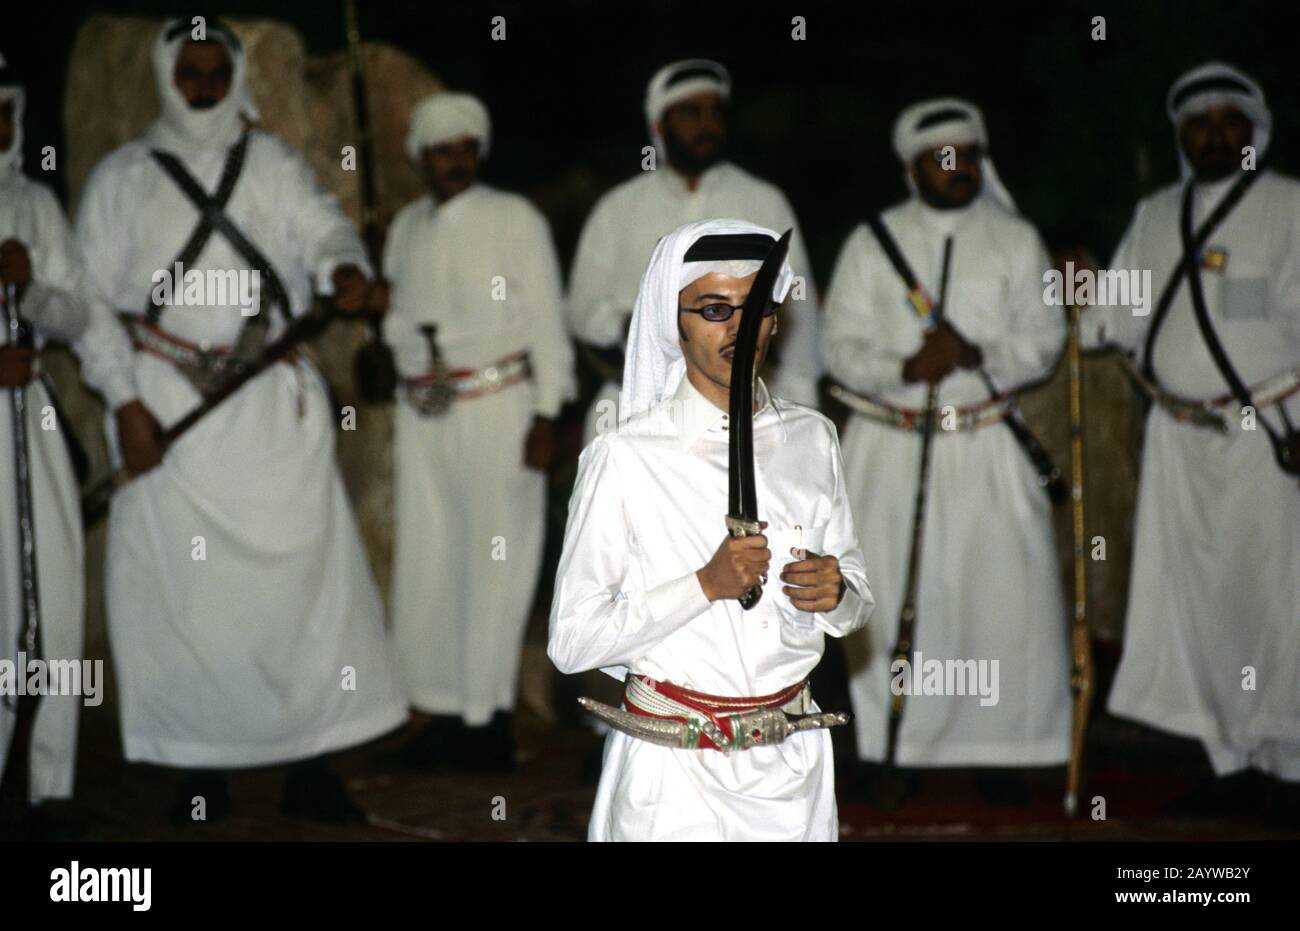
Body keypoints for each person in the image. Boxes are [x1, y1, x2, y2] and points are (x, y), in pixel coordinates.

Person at [73, 19, 406, 824]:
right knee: (187, 597)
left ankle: (312, 759)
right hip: (168, 406)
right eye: (187, 70)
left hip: (268, 409)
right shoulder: (122, 177)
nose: (202, 84)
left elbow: (322, 228)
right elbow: (88, 306)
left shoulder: (272, 162)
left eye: (215, 69)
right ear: (165, 77)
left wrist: (347, 269)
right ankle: (199, 765)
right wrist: (125, 403)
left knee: (302, 591)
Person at [549, 218, 873, 841]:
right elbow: (572, 640)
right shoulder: (626, 456)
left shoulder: (813, 439)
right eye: (714, 309)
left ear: (776, 320)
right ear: (675, 322)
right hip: (673, 775)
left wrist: (839, 593)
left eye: (754, 310)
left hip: (794, 767)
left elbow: (855, 598)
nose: (737, 329)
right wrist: (703, 584)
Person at [823, 98, 1069, 803]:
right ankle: (883, 748)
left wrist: (979, 351)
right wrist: (907, 365)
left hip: (987, 442)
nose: (958, 168)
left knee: (1000, 601)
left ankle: (1000, 751)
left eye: (969, 156)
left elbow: (1045, 339)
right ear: (912, 168)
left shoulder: (1016, 240)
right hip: (892, 445)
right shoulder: (874, 242)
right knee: (894, 597)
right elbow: (838, 348)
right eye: (942, 157)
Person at [1083, 63, 1300, 826]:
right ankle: (1228, 761)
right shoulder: (1155, 215)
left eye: (1228, 122)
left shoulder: (1288, 209)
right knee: (1196, 605)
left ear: (1254, 131)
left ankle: (1287, 765)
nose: (1214, 135)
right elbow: (1111, 319)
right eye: (1198, 124)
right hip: (1179, 442)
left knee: (1275, 602)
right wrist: (1075, 288)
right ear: (1181, 137)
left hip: (1267, 442)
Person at [382, 92, 575, 771]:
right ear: (421, 159)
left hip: (501, 405)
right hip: (426, 410)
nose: (456, 162)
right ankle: (442, 707)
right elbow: (398, 321)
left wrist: (550, 411)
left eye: (467, 149)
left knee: (497, 558)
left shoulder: (512, 217)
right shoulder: (406, 226)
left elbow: (547, 318)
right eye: (442, 150)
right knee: (433, 559)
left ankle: (487, 719)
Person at [568, 59, 822, 444]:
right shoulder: (618, 207)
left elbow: (800, 314)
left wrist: (800, 412)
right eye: (691, 112)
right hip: (636, 402)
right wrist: (628, 324)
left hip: (743, 407)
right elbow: (581, 309)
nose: (708, 124)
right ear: (659, 124)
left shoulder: (763, 201)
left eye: (716, 112)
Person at [0, 66, 90, 838]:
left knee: (56, 592)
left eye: (5, 112)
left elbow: (77, 315)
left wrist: (31, 291)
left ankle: (48, 788)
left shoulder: (35, 203)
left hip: (32, 416)